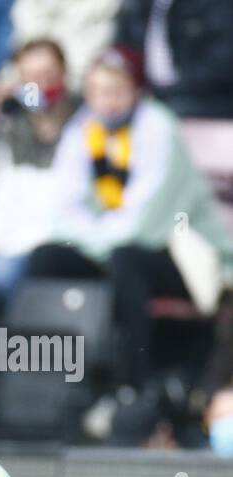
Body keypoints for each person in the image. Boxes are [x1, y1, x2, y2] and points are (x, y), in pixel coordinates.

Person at [26, 46, 233, 439]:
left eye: (116, 91)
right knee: (47, 258)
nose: (107, 100)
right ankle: (51, 386)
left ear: (136, 90)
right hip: (109, 246)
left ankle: (129, 387)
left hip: (180, 255)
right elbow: (64, 209)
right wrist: (88, 242)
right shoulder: (82, 128)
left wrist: (91, 241)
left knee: (127, 262)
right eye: (98, 91)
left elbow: (146, 217)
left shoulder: (158, 126)